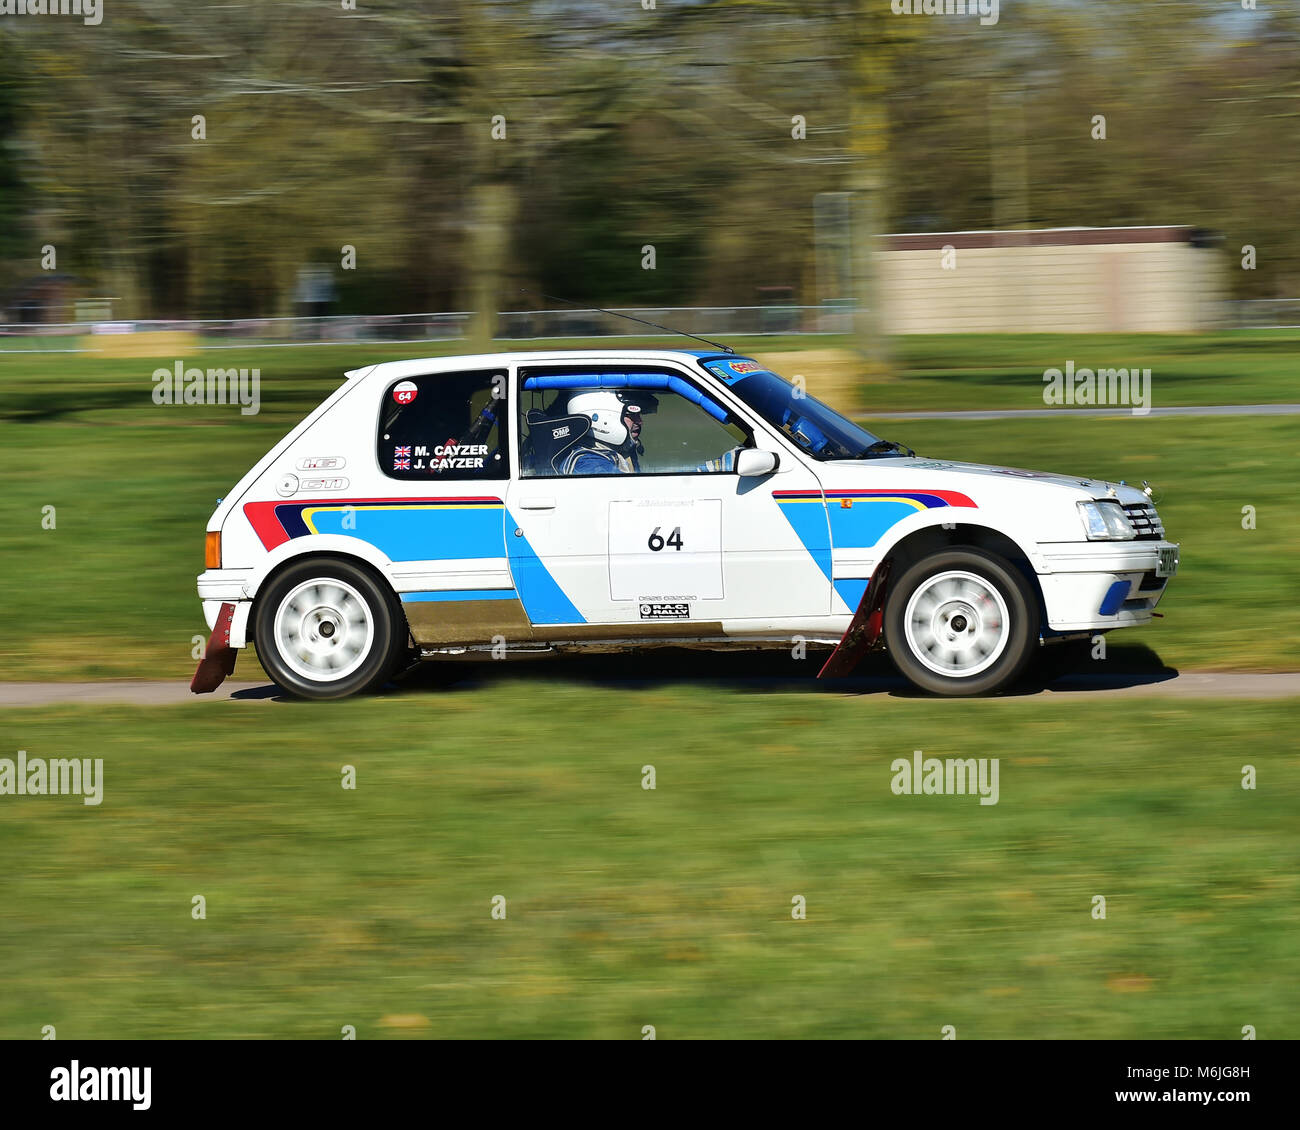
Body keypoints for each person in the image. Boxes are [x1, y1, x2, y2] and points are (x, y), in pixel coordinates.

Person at [560, 390, 649, 474]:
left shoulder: (622, 451)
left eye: (638, 415)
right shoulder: (590, 465)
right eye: (631, 415)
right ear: (602, 418)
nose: (640, 421)